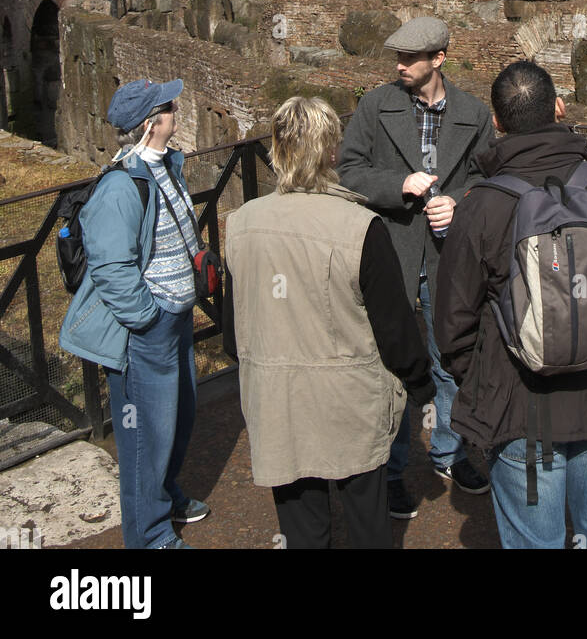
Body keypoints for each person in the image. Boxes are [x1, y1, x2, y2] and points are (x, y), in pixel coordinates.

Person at [435, 61, 587, 549]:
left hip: (521, 408)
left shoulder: (479, 207)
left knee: (534, 542)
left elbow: (454, 321)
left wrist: (483, 374)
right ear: (559, 108)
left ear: (496, 123)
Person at [223, 97, 433, 549]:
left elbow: (232, 333)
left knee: (303, 531)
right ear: (332, 152)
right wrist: (421, 384)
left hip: (278, 399)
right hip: (350, 401)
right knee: (368, 528)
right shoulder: (360, 227)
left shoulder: (241, 225)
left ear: (277, 150)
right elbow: (395, 329)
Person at [338, 16, 495, 520]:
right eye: (397, 58)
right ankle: (390, 472)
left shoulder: (474, 112)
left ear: (439, 60)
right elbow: (348, 171)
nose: (400, 66)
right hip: (393, 253)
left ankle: (448, 453)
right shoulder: (374, 105)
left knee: (451, 359)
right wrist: (399, 185)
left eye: (410, 59)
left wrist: (462, 203)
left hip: (449, 258)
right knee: (393, 368)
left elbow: (492, 179)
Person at [59, 78, 208, 549]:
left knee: (179, 419)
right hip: (150, 328)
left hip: (176, 319)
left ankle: (163, 497)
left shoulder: (167, 166)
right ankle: (149, 536)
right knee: (146, 436)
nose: (177, 112)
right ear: (150, 124)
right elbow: (111, 267)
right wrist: (147, 317)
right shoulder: (120, 188)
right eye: (169, 108)